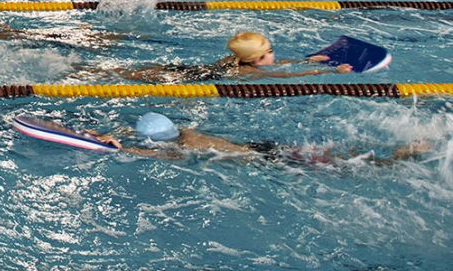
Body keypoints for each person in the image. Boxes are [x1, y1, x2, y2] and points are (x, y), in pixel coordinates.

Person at [89, 111, 430, 166]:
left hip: (267, 159)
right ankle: (397, 151)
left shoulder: (183, 147)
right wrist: (110, 134)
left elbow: (161, 156)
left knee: (342, 165)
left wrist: (125, 148)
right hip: (262, 146)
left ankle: (401, 156)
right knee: (336, 155)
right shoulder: (187, 133)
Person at [119, 31, 352, 83]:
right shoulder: (246, 72)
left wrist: (306, 59)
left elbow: (281, 64)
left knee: (125, 72)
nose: (274, 55)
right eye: (269, 52)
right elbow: (284, 75)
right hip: (183, 79)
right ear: (257, 60)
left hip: (186, 69)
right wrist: (332, 71)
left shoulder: (237, 60)